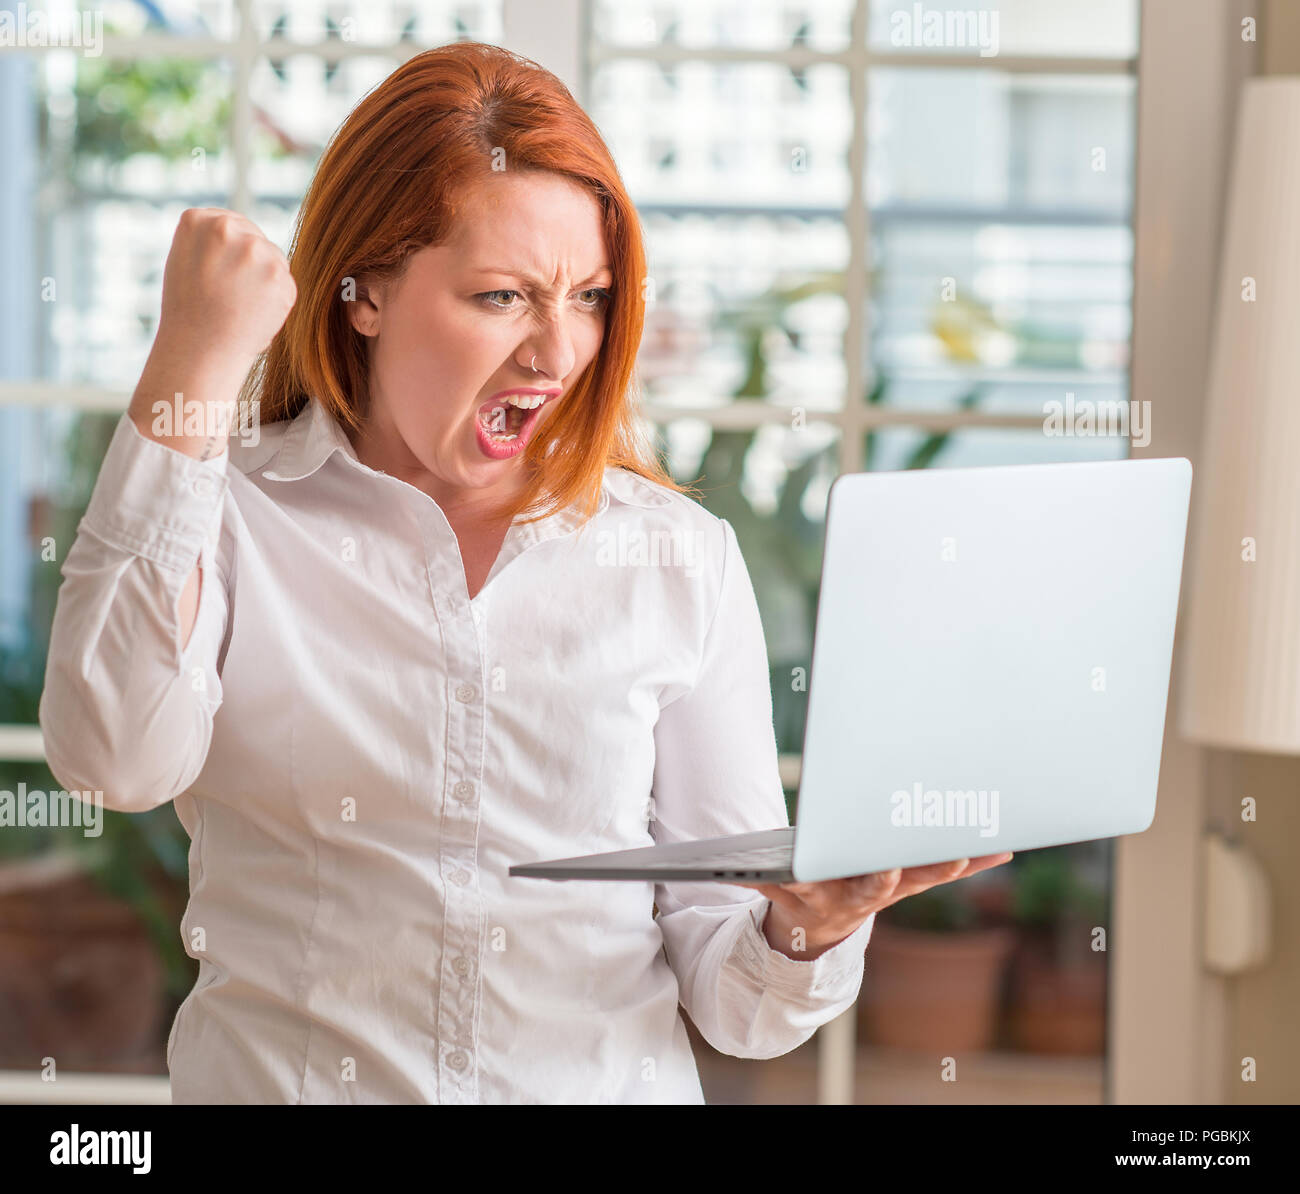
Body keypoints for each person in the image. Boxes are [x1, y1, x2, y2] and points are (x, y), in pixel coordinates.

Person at [38, 41, 1009, 1105]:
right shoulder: (228, 517)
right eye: (501, 296)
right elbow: (115, 759)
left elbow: (735, 1003)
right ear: (362, 292)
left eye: (587, 297)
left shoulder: (675, 558)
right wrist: (190, 364)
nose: (556, 352)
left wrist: (804, 926)